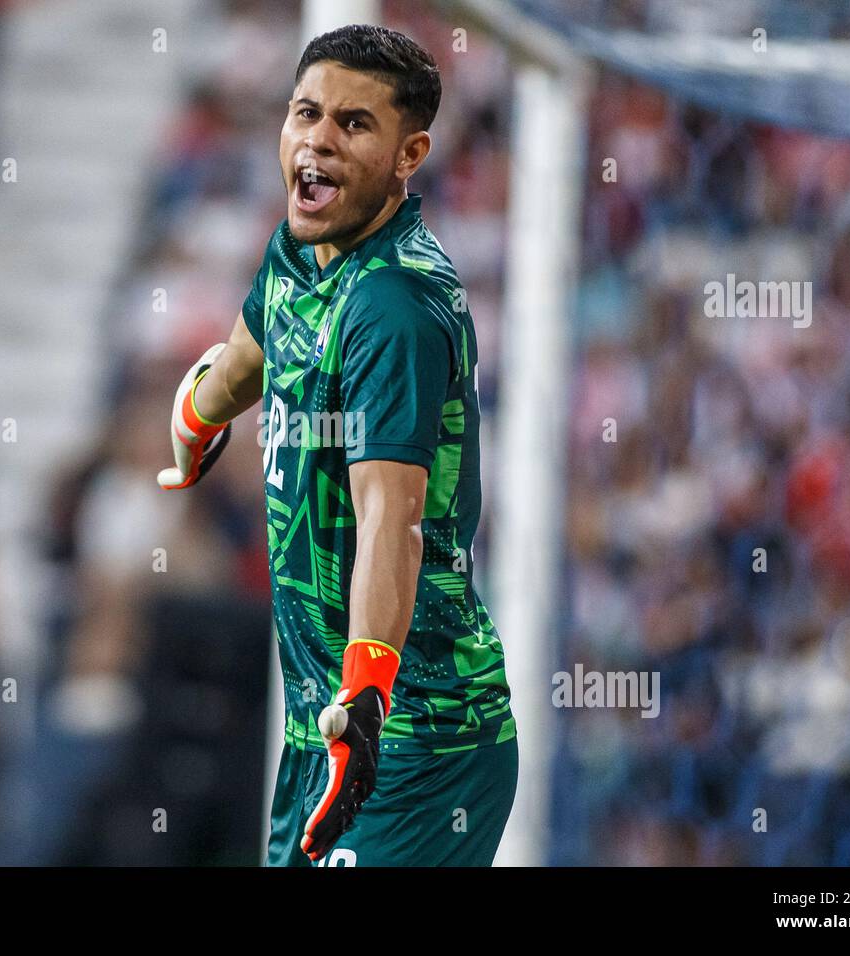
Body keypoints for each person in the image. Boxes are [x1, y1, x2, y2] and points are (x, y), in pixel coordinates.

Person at [157, 24, 515, 866]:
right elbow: (246, 356)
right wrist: (198, 416)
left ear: (409, 153)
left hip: (415, 738)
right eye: (306, 113)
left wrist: (366, 699)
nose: (318, 138)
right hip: (322, 735)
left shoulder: (393, 305)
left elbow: (394, 517)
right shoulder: (298, 254)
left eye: (354, 124)